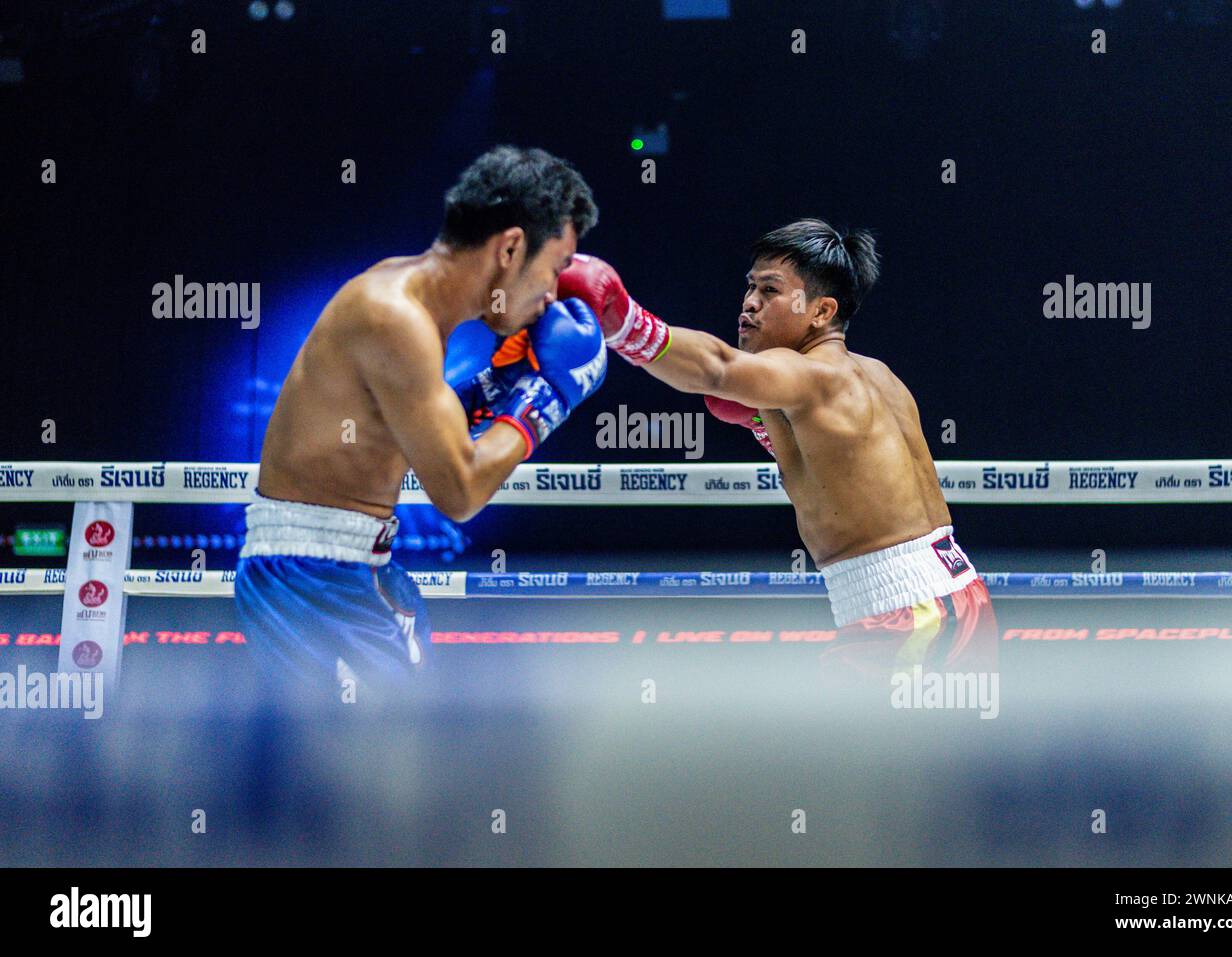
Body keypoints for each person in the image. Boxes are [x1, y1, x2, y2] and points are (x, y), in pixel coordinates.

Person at [235, 146, 606, 700]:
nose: (552, 294)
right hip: (316, 576)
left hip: (348, 566)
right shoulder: (396, 317)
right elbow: (460, 491)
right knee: (382, 749)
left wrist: (498, 389)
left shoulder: (405, 297)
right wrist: (547, 396)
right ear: (510, 248)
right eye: (554, 269)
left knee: (397, 742)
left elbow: (397, 429)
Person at [558, 219, 997, 686]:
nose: (749, 302)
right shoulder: (878, 375)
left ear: (821, 311)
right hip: (951, 595)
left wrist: (622, 320)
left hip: (910, 616)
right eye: (750, 287)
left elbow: (716, 368)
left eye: (770, 290)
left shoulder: (811, 376)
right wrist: (768, 428)